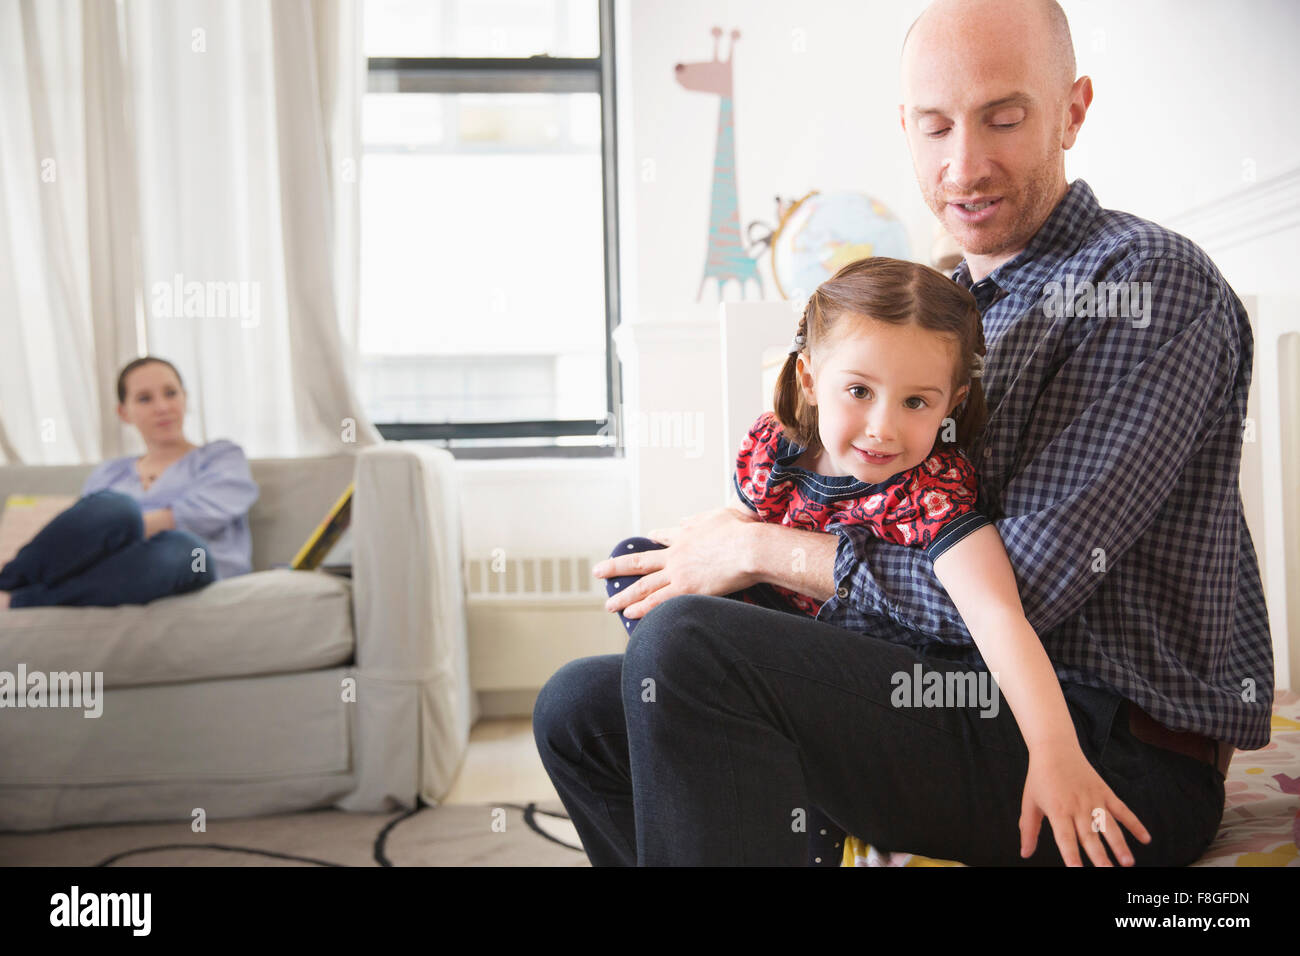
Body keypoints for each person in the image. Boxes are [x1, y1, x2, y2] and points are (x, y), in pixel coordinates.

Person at [534, 0, 1273, 867]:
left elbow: (1019, 593)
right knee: (580, 707)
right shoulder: (938, 308)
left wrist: (764, 552)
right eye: (935, 127)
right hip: (943, 695)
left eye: (1004, 117)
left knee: (688, 651)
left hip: (1104, 752)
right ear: (906, 129)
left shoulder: (1145, 282)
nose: (965, 163)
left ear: (1073, 110)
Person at [0, 357, 258, 609]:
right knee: (115, 507)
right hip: (120, 568)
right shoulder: (109, 474)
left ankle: (21, 600)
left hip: (196, 565)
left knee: (185, 547)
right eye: (145, 399)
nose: (162, 407)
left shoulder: (221, 456)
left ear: (185, 398)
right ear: (124, 412)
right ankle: (10, 580)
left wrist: (120, 531)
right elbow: (80, 534)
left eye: (171, 393)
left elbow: (203, 514)